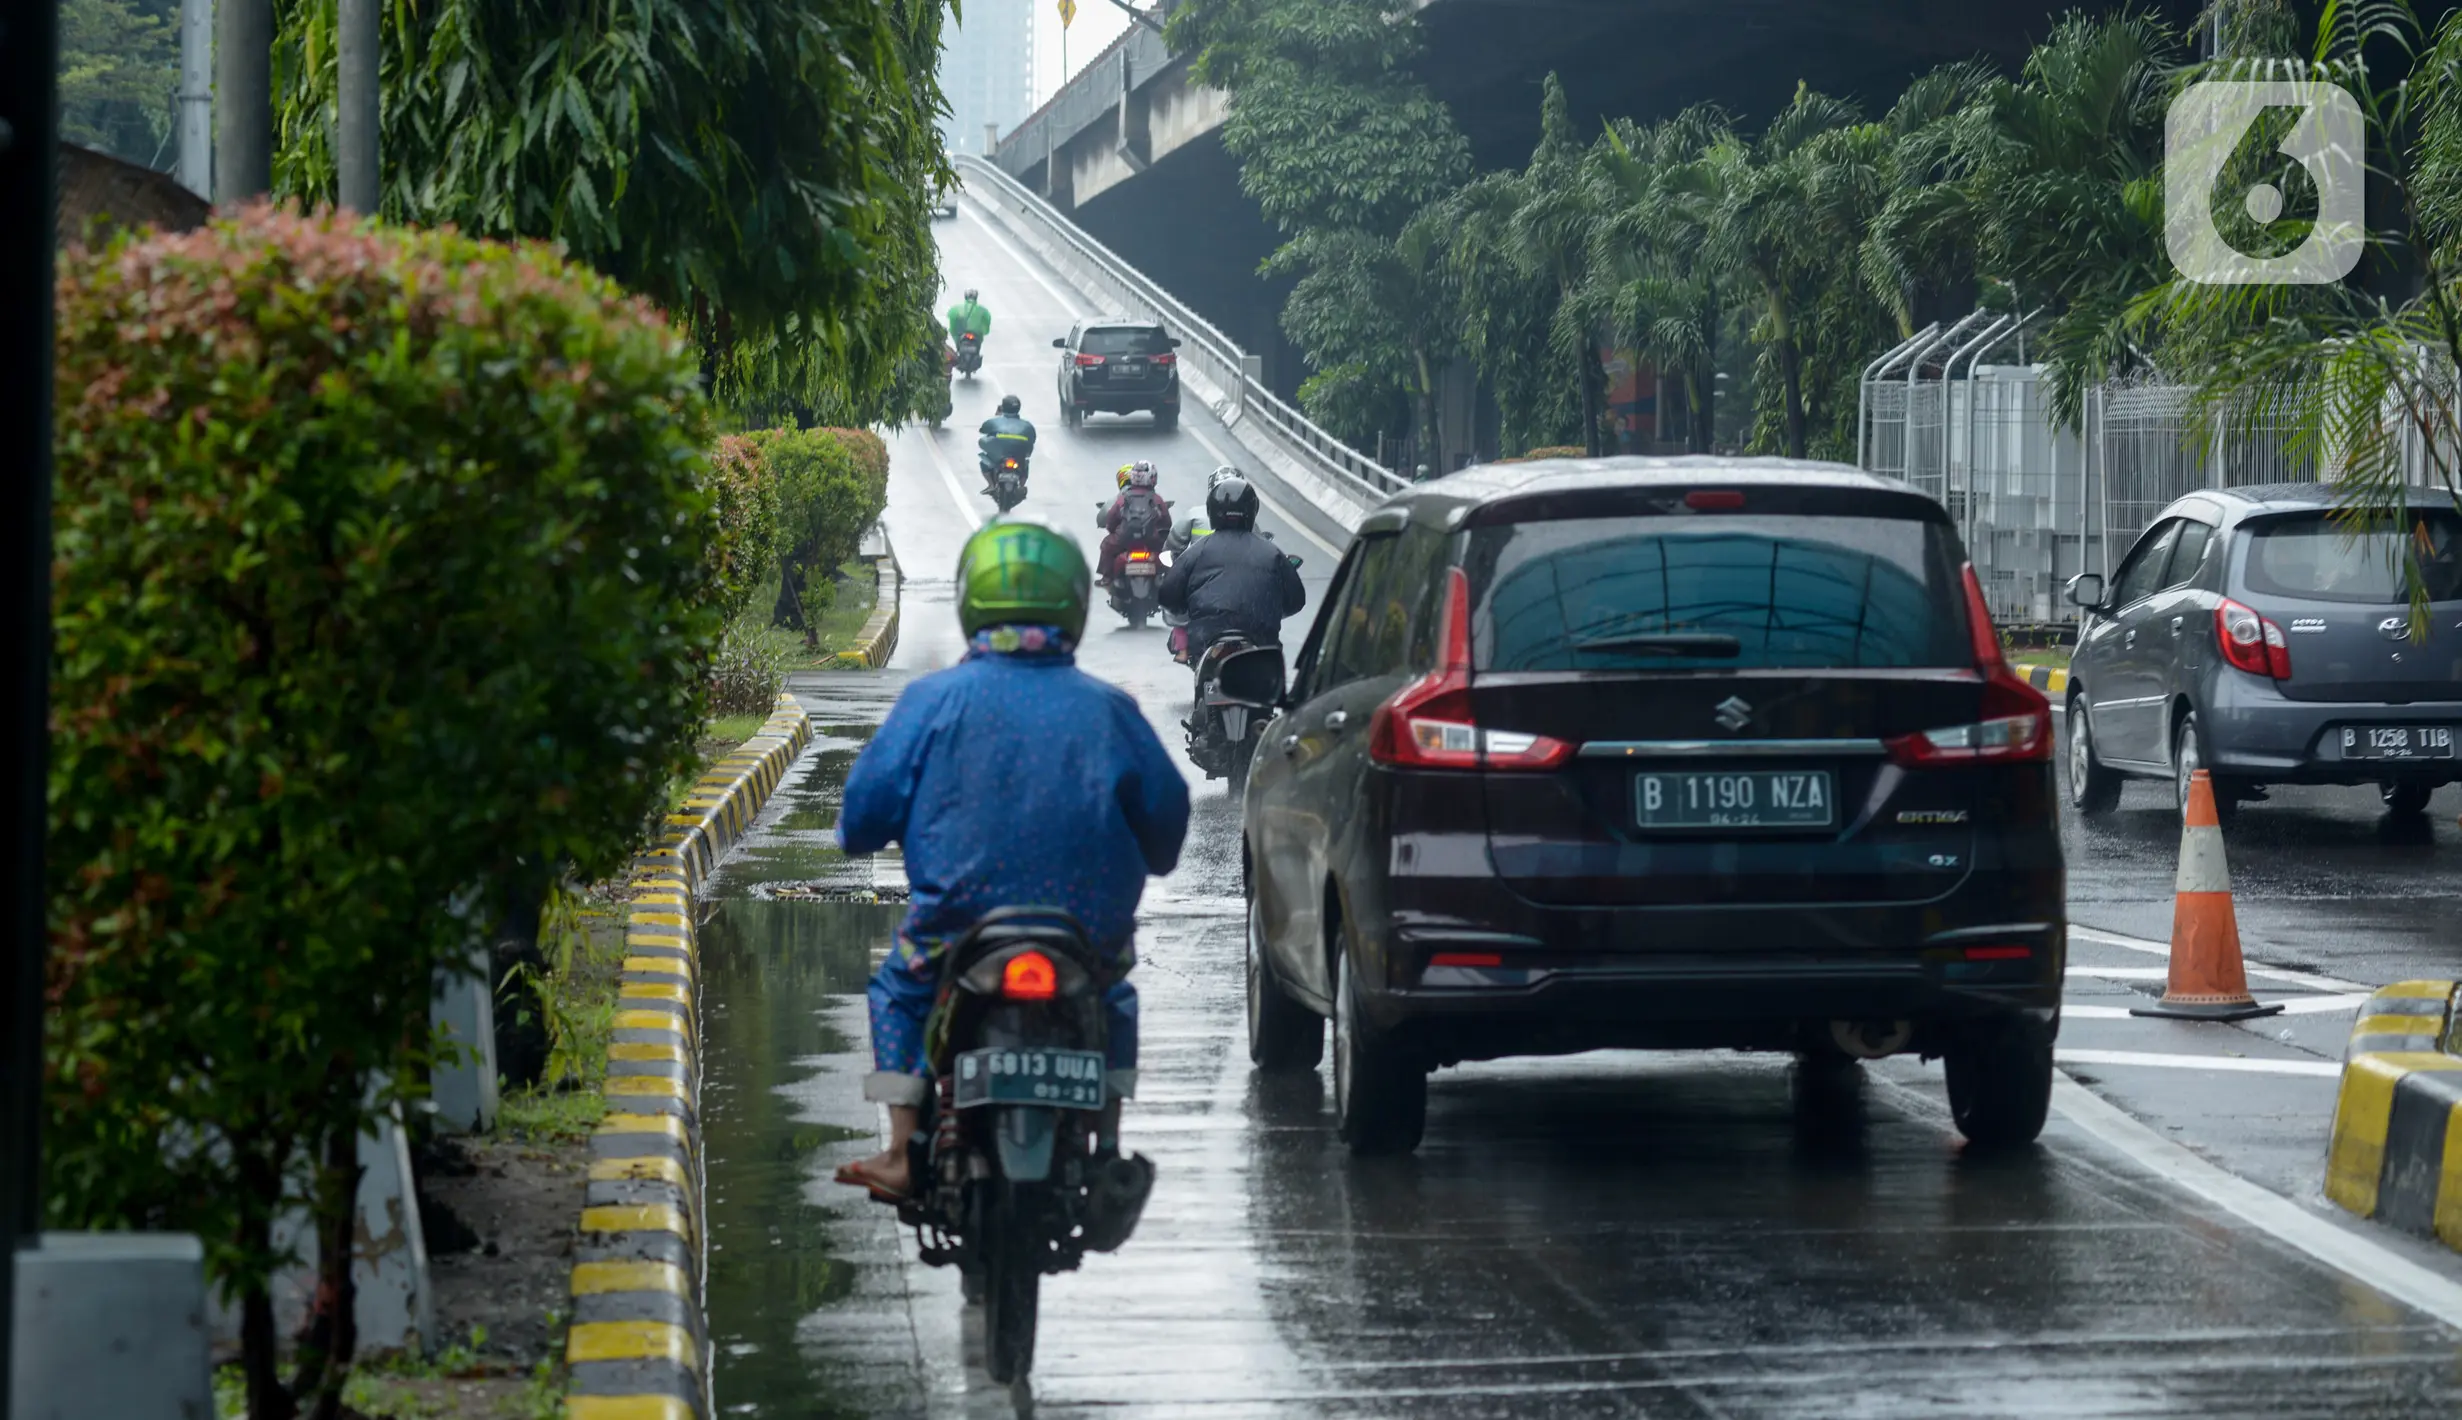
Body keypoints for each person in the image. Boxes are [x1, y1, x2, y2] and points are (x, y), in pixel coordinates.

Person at [831, 518, 1190, 1202]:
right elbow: (1168, 825)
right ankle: (1108, 1143)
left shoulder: (931, 701)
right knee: (1113, 996)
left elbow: (860, 820)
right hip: (1086, 936)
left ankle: (904, 1146)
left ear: (972, 601)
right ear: (1076, 605)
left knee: (898, 992)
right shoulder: (1112, 709)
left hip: (954, 930)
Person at [1157, 476, 1306, 670]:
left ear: (1212, 512)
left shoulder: (1195, 553)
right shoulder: (1272, 554)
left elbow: (1168, 596)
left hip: (1206, 637)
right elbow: (1296, 600)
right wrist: (1272, 610)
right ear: (1252, 511)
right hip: (1260, 638)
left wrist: (1188, 608)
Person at [1097, 462, 1174, 586]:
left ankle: (1106, 578)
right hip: (1151, 541)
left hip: (1123, 540)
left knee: (1106, 546)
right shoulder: (1157, 499)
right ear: (1152, 478)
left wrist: (1114, 532)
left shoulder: (1123, 498)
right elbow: (1166, 522)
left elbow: (1111, 520)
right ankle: (1167, 578)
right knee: (1167, 552)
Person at [978, 394, 1036, 493]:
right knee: (1025, 464)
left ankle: (991, 485)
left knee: (984, 459)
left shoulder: (994, 421)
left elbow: (983, 430)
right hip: (1018, 455)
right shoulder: (1027, 425)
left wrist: (997, 414)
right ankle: (1022, 485)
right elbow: (1032, 438)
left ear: (1003, 407)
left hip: (1000, 454)